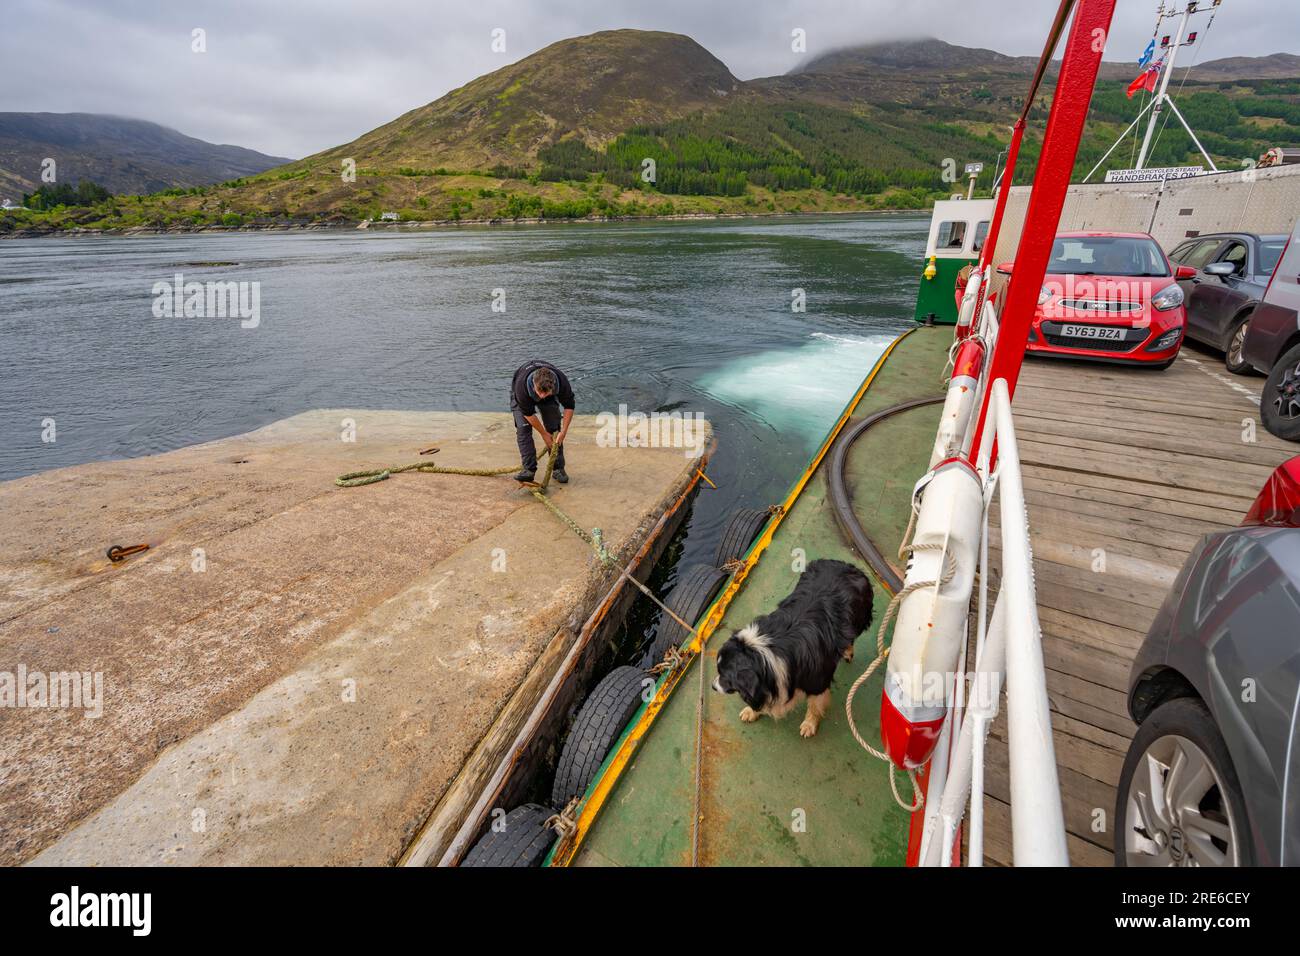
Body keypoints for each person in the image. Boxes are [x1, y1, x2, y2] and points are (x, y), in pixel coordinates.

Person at [510, 360, 574, 484]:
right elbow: (528, 414)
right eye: (540, 392)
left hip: (549, 395)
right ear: (534, 384)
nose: (542, 396)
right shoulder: (521, 387)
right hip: (524, 398)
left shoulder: (561, 381)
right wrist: (544, 434)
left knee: (554, 428)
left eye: (546, 393)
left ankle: (558, 468)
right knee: (523, 429)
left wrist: (564, 431)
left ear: (553, 385)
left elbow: (569, 406)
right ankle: (528, 470)